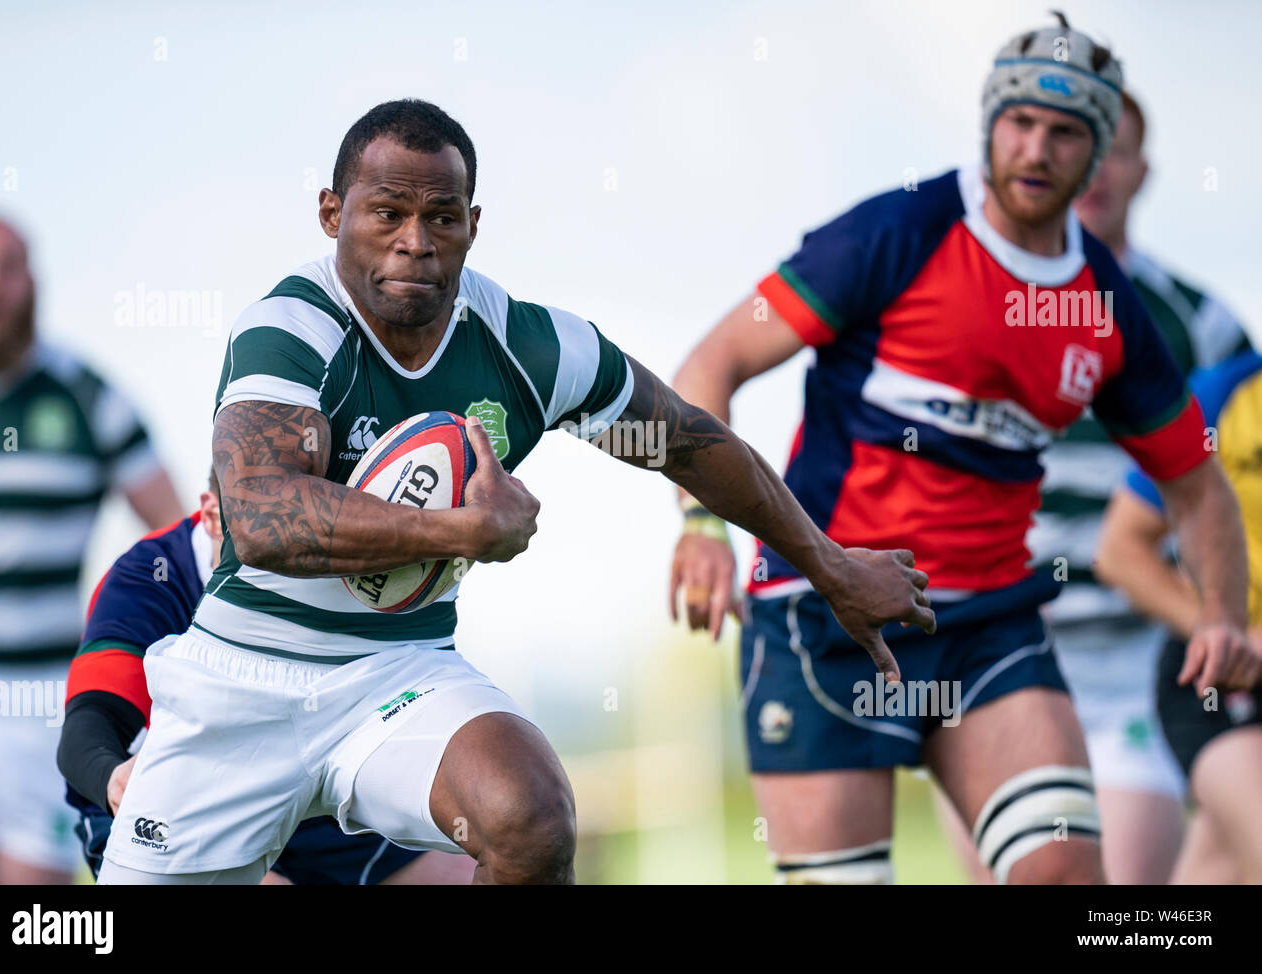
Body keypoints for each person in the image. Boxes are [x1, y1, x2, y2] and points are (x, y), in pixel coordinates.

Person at [94, 98, 933, 885]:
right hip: (243, 680)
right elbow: (263, 516)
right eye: (387, 212)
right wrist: (458, 530)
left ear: (472, 225)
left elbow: (690, 443)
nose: (415, 240)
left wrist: (831, 566)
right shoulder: (291, 325)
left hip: (395, 675)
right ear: (332, 214)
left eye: (442, 217)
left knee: (527, 812)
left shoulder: (532, 350)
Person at [667, 13, 1254, 884]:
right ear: (990, 125)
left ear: (1096, 156)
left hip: (988, 623)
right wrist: (700, 526)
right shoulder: (893, 234)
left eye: (1065, 132)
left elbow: (1199, 484)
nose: (1037, 149)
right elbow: (711, 366)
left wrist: (1225, 613)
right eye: (1019, 123)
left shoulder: (1106, 300)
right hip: (821, 609)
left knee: (1067, 879)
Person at [937, 90, 1255, 885]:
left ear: (1141, 170)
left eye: (1115, 146)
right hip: (993, 645)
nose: (1096, 166)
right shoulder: (961, 303)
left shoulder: (1202, 324)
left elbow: (1231, 498)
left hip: (1139, 654)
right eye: (1083, 140)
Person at [58, 469, 474, 884]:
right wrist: (113, 778)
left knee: (474, 861)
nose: (279, 553)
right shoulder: (149, 577)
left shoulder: (343, 570)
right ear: (209, 515)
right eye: (260, 530)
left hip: (310, 802)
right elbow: (88, 729)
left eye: (296, 530)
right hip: (181, 803)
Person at [0, 214, 184, 884]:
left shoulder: (88, 398)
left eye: (8, 267)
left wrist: (148, 658)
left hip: (43, 696)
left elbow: (174, 537)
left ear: (34, 282)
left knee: (33, 908)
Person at [1095, 351, 1262, 884]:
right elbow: (1120, 553)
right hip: (1223, 681)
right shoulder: (1223, 393)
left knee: (1221, 862)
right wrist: (1227, 634)